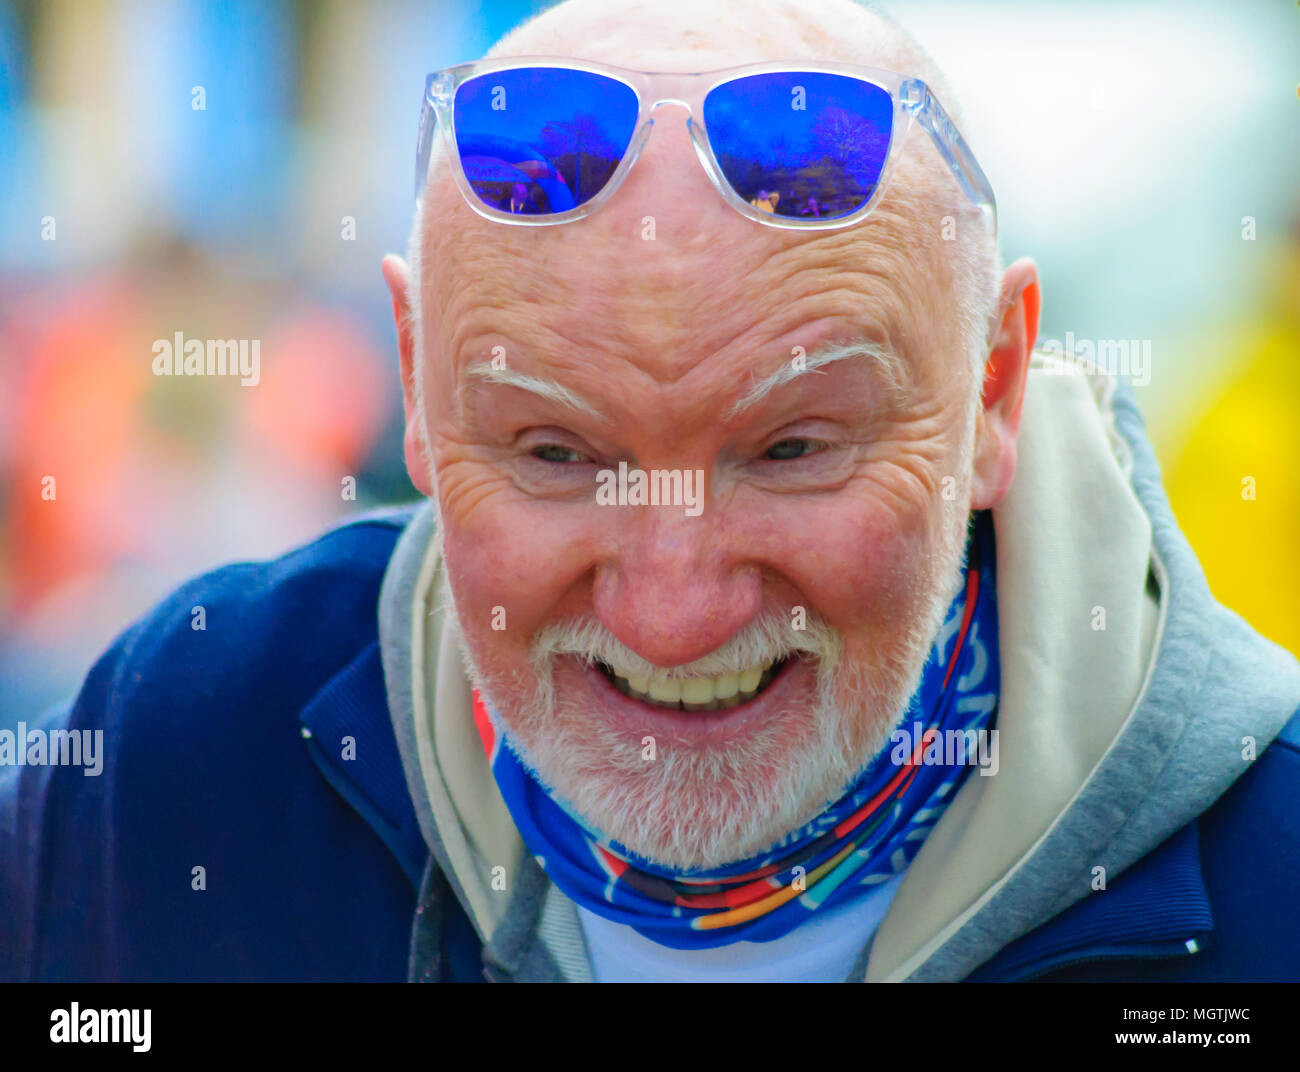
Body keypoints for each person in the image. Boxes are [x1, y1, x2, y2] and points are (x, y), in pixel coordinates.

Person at [3, 0, 1298, 983]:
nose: (674, 616)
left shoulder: (1272, 872)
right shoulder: (171, 766)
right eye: (556, 455)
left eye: (793, 449)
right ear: (417, 383)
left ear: (992, 393)